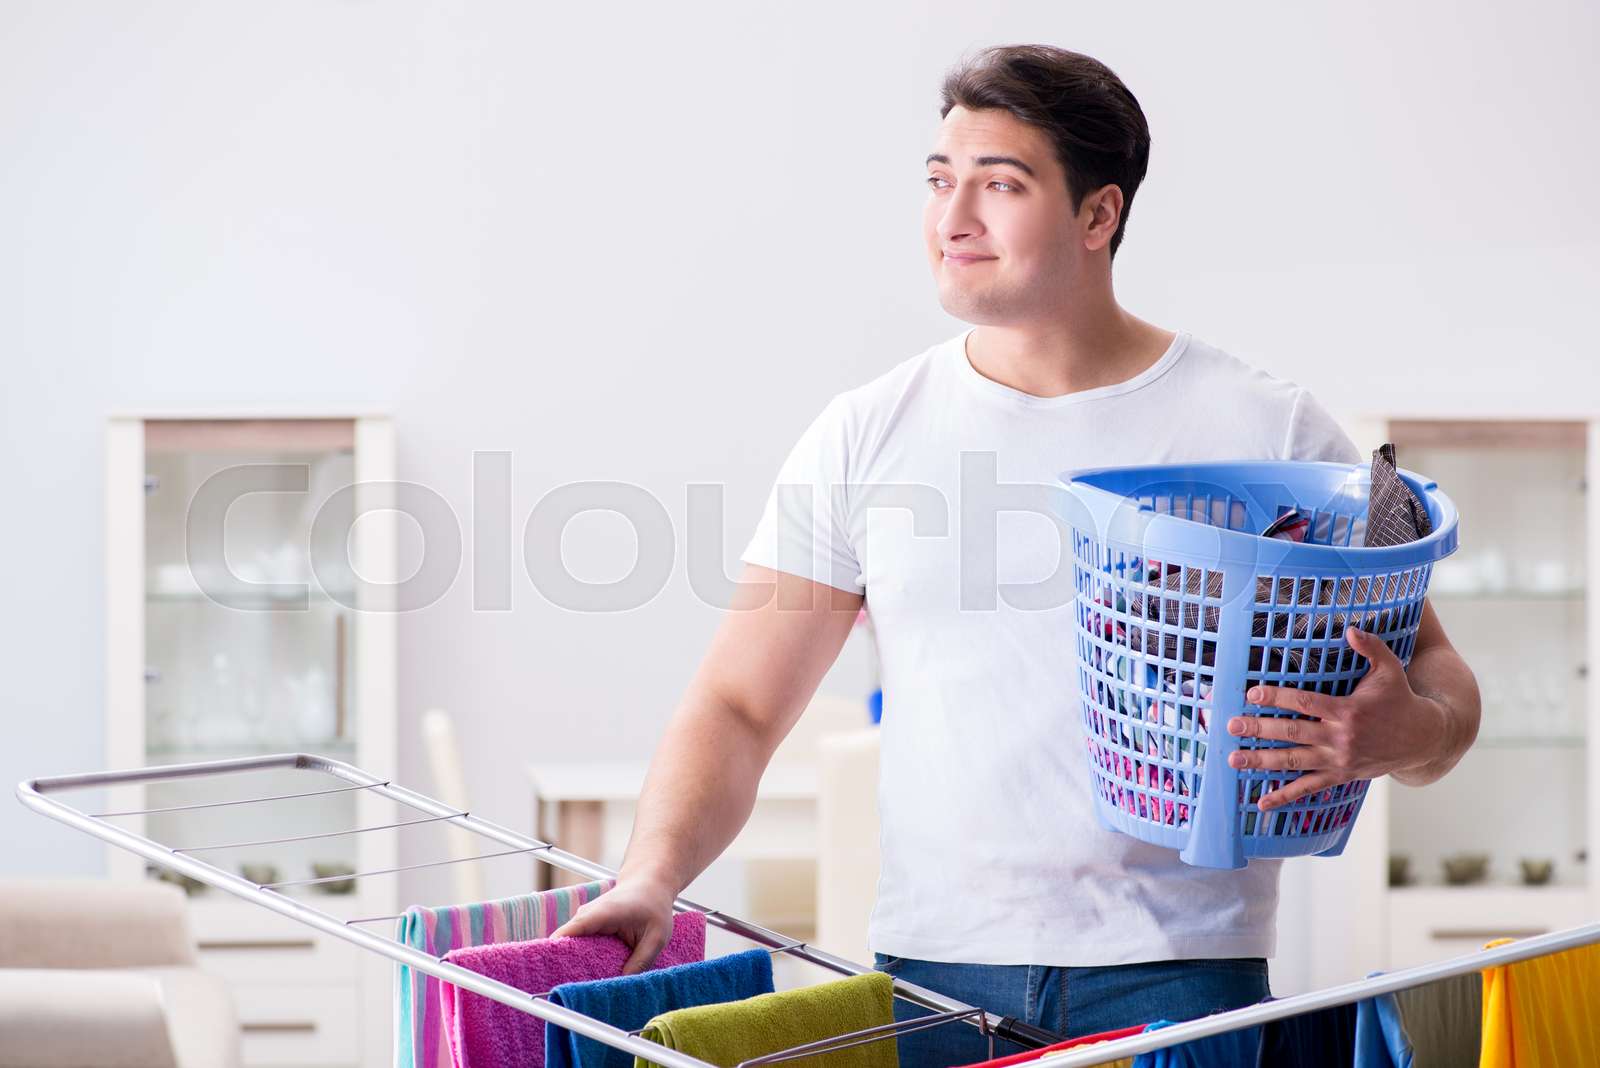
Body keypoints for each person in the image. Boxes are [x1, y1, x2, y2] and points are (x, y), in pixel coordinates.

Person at [554, 44, 1481, 1064]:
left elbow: (1432, 668)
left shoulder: (1265, 426)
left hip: (1183, 971)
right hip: (931, 977)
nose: (954, 219)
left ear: (1098, 215)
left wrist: (1414, 733)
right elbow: (738, 705)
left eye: (1000, 185)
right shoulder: (868, 431)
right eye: (940, 182)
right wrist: (650, 874)